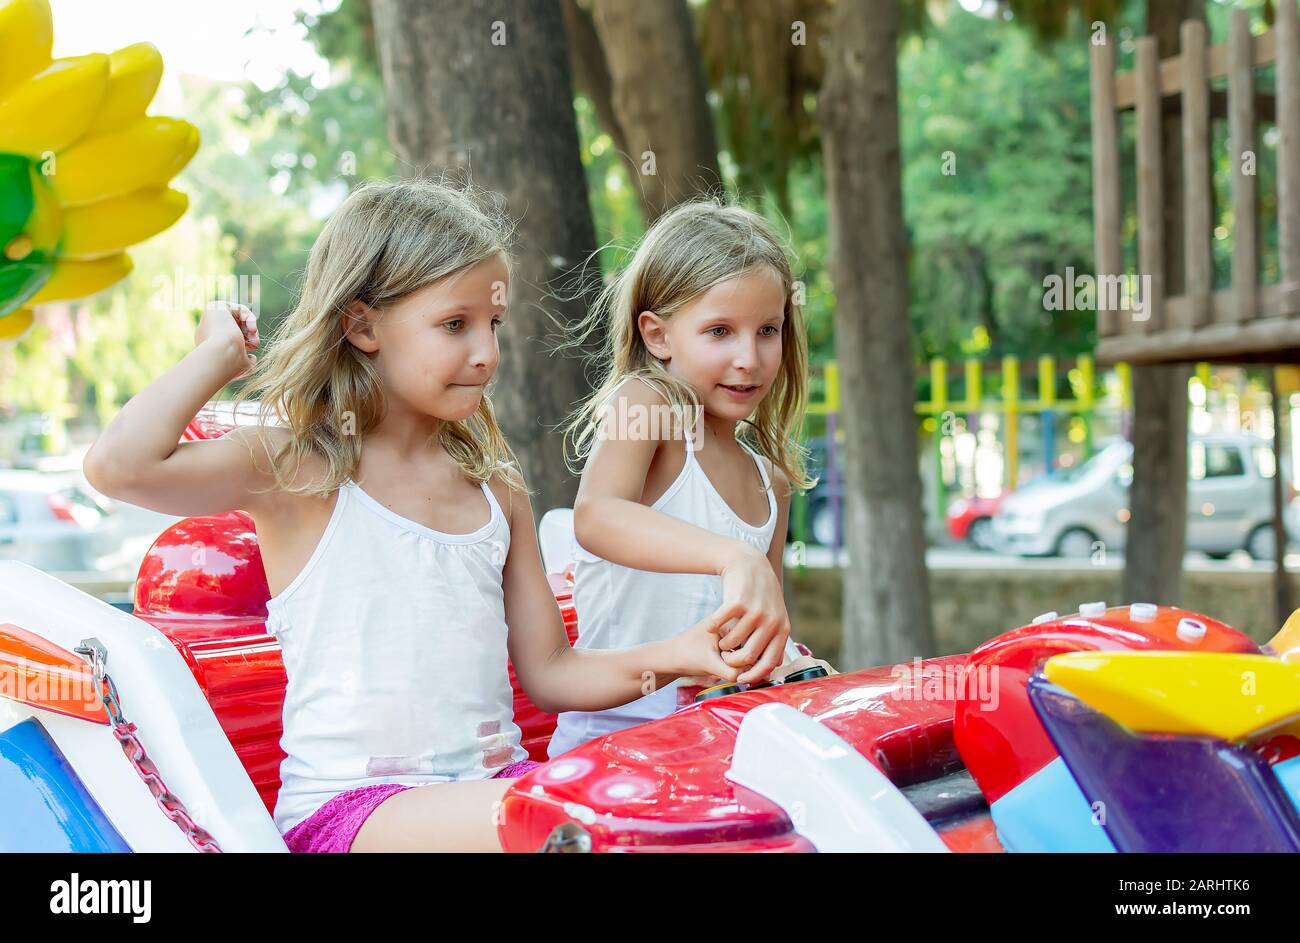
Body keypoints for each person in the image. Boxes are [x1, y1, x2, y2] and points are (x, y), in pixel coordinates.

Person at [83, 178, 745, 852]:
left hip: (505, 792)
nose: (485, 352)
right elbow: (118, 466)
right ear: (363, 325)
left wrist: (682, 653)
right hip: (355, 812)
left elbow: (551, 673)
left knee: (651, 808)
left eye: (493, 323)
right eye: (454, 324)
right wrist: (214, 359)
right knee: (563, 817)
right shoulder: (300, 468)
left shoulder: (496, 487)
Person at [548, 198, 819, 759]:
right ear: (658, 336)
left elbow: (752, 627)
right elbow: (597, 516)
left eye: (768, 330)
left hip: (720, 748)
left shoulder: (771, 480)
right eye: (719, 331)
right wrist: (733, 556)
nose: (750, 357)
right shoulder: (647, 405)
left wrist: (787, 661)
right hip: (616, 752)